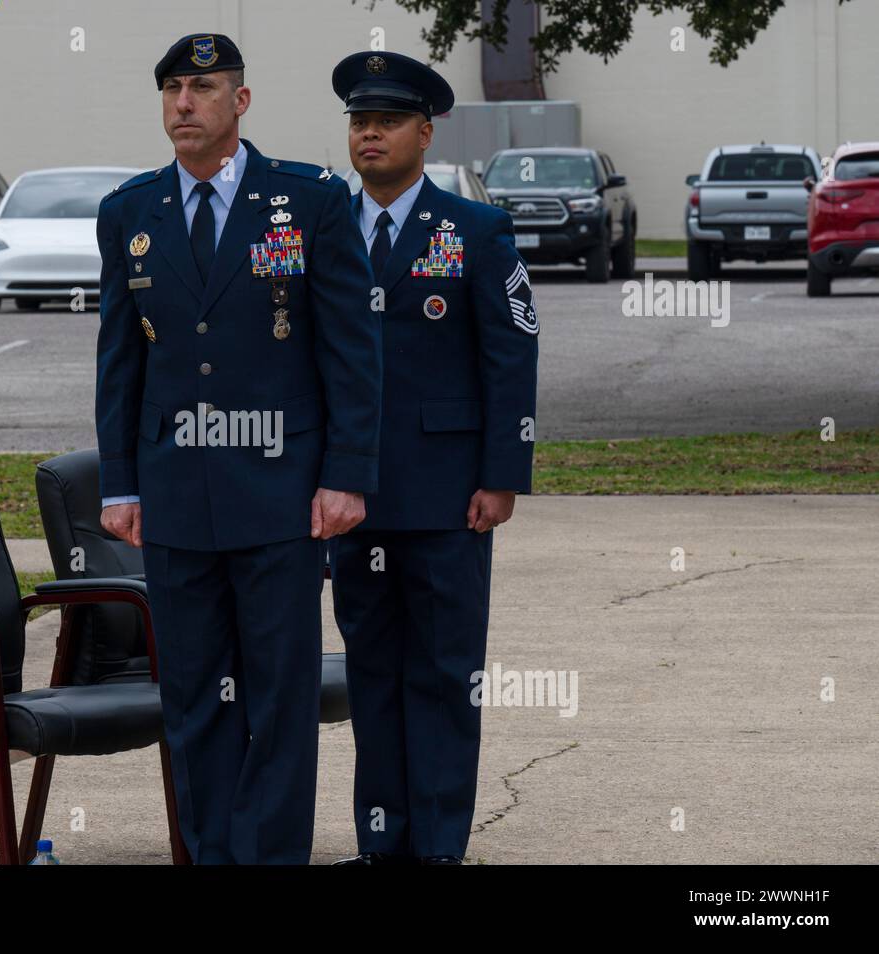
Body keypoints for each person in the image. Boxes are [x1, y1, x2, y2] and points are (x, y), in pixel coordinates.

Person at [94, 33, 382, 864]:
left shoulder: (312, 200)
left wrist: (346, 475)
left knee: (279, 693)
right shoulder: (130, 211)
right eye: (173, 89)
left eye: (203, 87)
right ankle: (212, 850)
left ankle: (269, 853)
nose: (183, 103)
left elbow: (351, 350)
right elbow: (120, 360)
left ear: (241, 102)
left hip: (282, 493)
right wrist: (122, 483)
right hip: (176, 495)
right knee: (192, 693)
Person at [328, 50, 539, 864]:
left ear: (425, 131)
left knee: (445, 678)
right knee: (372, 675)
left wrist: (502, 474)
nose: (369, 133)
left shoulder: (474, 230)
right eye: (358, 120)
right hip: (353, 496)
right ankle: (384, 845)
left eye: (385, 121)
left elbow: (511, 351)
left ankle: (439, 848)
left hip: (450, 496)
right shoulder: (324, 228)